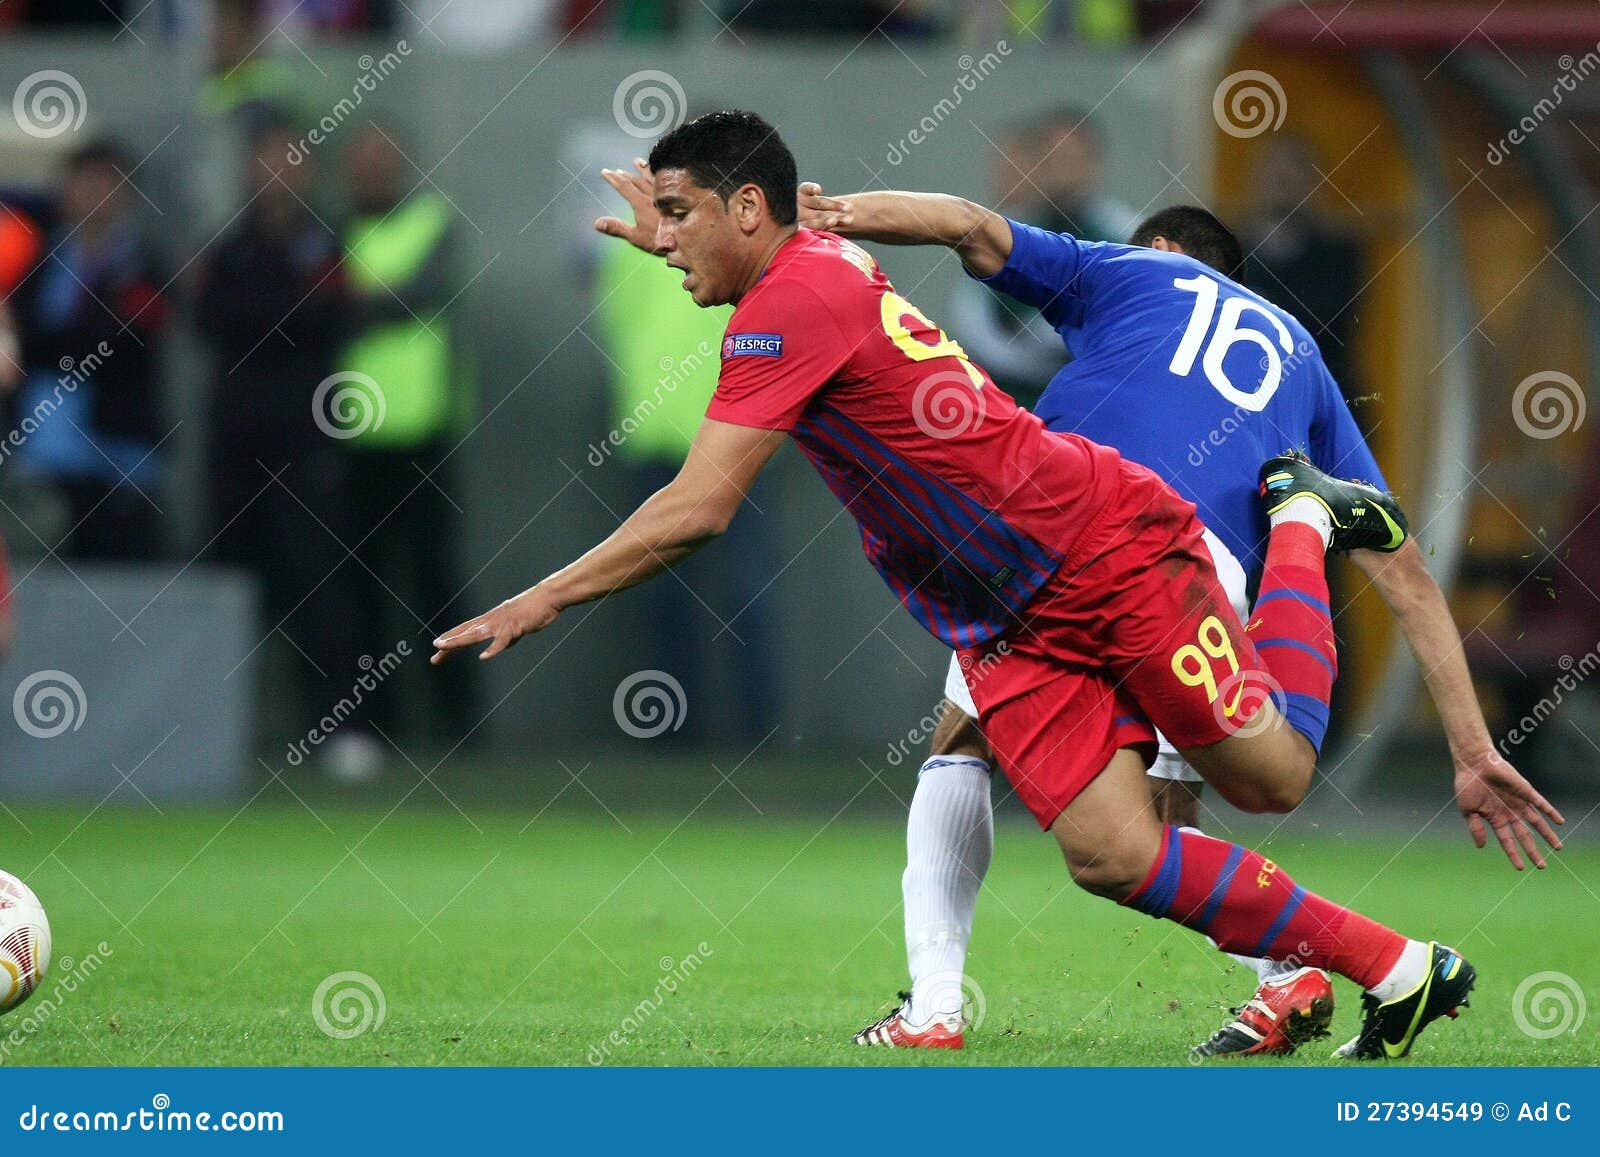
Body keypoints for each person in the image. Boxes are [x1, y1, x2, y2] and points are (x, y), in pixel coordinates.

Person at [434, 110, 1487, 1061]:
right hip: (1002, 608)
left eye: (678, 215)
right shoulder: (814, 268)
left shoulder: (801, 300)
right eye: (659, 217)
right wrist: (718, 219)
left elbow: (700, 506)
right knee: (1112, 853)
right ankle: (1397, 967)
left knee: (1272, 778)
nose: (660, 239)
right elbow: (957, 226)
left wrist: (542, 595)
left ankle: (1302, 519)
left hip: (1098, 545)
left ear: (747, 208)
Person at [794, 187, 1566, 1054]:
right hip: (1208, 580)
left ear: (1159, 248)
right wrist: (1473, 749)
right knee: (1160, 817)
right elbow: (1406, 573)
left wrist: (835, 214)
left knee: (970, 743)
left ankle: (937, 1004)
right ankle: (1294, 971)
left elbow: (966, 225)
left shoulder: (1128, 272)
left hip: (1076, 534)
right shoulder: (1302, 355)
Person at [195, 116, 362, 768]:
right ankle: (219, 733)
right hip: (235, 450)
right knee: (232, 587)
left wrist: (269, 315)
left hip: (309, 446)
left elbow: (334, 315)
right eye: (266, 160)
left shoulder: (326, 245)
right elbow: (210, 320)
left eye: (291, 161)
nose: (278, 175)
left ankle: (338, 731)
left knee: (320, 589)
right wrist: (287, 311)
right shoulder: (229, 249)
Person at [333, 121, 477, 755]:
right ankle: (375, 726)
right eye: (364, 158)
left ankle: (459, 726)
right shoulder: (332, 231)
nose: (374, 170)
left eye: (385, 157)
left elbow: (421, 293)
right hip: (350, 440)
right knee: (359, 589)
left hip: (422, 436)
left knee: (435, 587)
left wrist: (352, 304)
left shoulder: (433, 224)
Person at [11, 138, 170, 561]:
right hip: (45, 441)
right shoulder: (40, 257)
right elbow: (21, 334)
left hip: (117, 442)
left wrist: (55, 344)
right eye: (83, 182)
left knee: (116, 560)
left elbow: (125, 341)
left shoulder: (143, 263)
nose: (93, 194)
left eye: (106, 184)